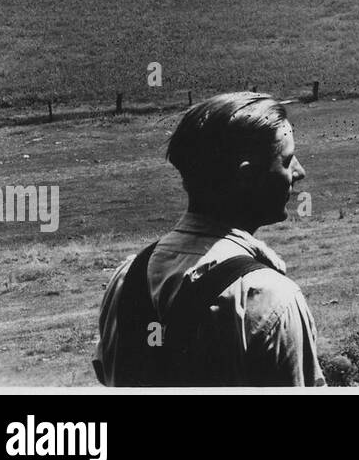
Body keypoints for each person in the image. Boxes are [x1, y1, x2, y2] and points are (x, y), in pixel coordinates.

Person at [95, 92, 325, 386]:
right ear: (247, 177)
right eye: (287, 160)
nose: (299, 172)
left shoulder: (127, 278)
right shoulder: (270, 300)